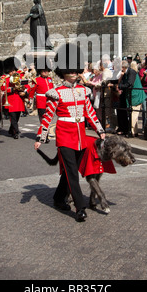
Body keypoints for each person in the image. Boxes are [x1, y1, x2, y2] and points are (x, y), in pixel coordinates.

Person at [34, 42, 105, 223]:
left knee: (69, 172)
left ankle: (58, 198)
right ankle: (80, 207)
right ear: (63, 71)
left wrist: (100, 130)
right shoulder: (56, 92)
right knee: (72, 172)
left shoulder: (83, 90)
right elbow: (48, 115)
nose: (73, 73)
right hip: (64, 135)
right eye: (70, 70)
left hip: (80, 136)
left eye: (75, 70)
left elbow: (89, 112)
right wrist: (41, 137)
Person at [2, 57, 28, 139]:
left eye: (13, 70)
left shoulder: (20, 77)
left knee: (17, 117)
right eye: (11, 71)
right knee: (13, 117)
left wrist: (24, 90)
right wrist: (13, 89)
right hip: (11, 100)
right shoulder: (6, 79)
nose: (12, 72)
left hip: (19, 100)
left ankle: (11, 130)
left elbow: (26, 86)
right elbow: (4, 89)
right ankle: (15, 132)